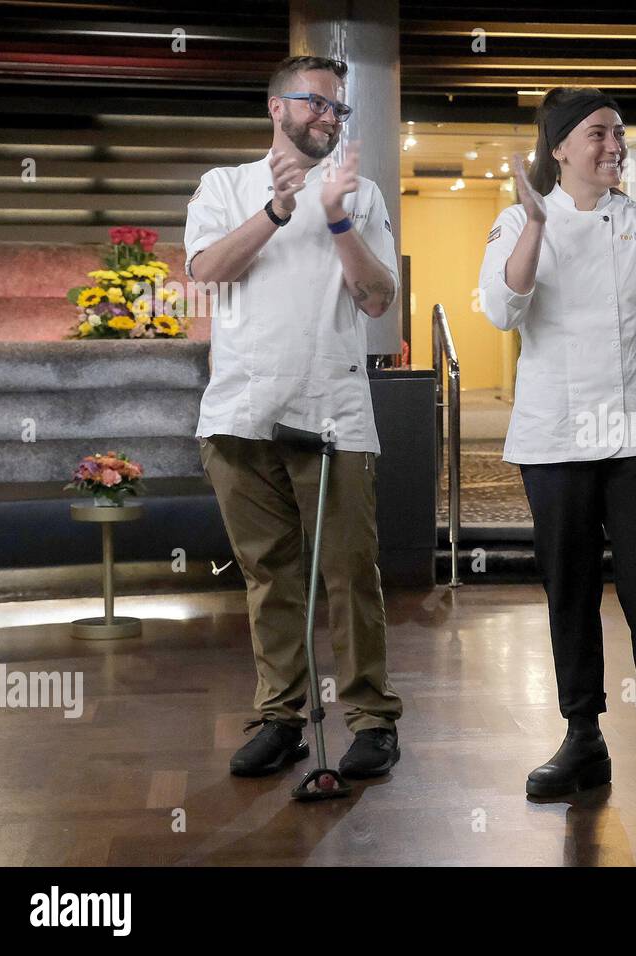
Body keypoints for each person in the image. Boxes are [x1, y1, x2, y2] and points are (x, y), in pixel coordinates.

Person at [478, 87, 636, 802]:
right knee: (568, 589)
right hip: (556, 433)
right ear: (561, 148)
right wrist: (537, 226)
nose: (615, 146)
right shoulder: (517, 219)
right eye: (600, 133)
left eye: (620, 133)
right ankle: (583, 737)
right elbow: (502, 307)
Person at [185, 55, 403, 780]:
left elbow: (377, 300)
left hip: (332, 413)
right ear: (277, 107)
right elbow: (208, 273)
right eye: (317, 103)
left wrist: (335, 215)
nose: (330, 118)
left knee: (349, 573)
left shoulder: (360, 192)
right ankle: (281, 718)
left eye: (339, 108)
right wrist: (278, 211)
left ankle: (371, 720)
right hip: (240, 412)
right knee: (268, 573)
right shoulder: (224, 186)